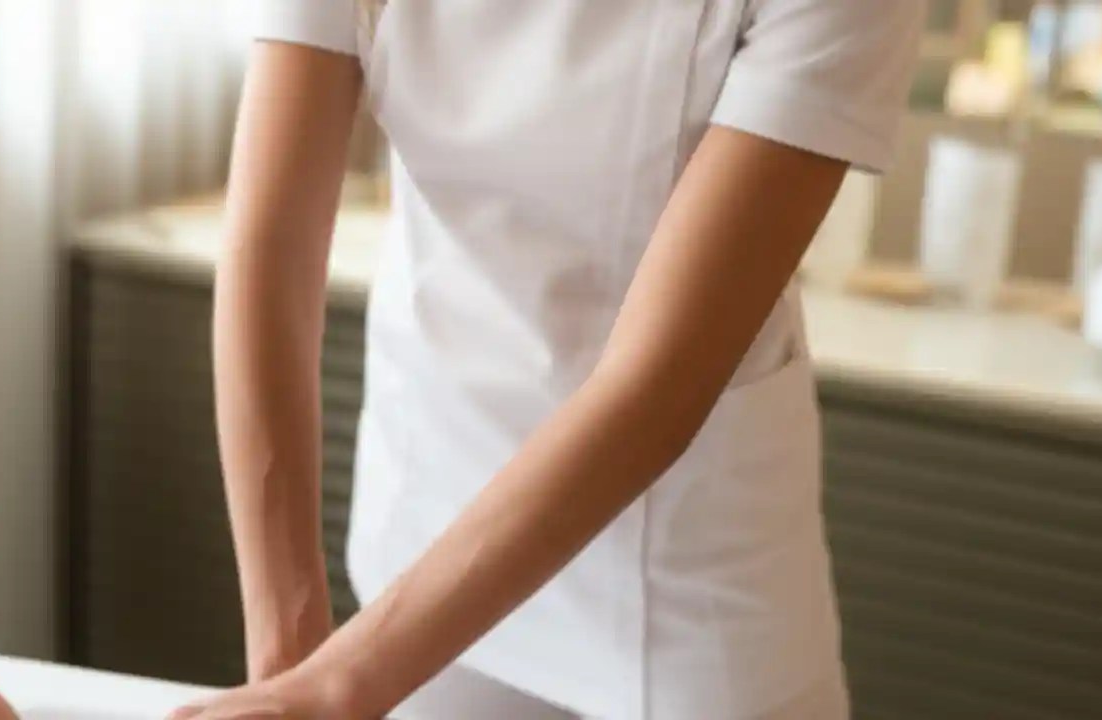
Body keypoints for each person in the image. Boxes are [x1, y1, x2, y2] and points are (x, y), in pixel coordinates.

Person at [172, 1, 924, 718]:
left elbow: (655, 385)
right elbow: (271, 251)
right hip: (427, 521)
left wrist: (337, 686)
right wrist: (289, 653)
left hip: (686, 583)